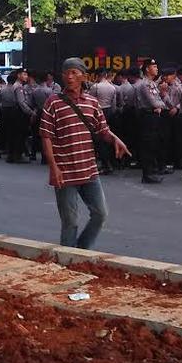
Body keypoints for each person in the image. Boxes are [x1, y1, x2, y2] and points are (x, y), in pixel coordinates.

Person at [40, 57, 130, 250]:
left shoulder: (92, 102)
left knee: (101, 214)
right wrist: (53, 168)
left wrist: (116, 139)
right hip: (65, 173)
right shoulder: (53, 103)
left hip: (89, 170)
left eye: (74, 72)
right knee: (70, 221)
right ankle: (68, 260)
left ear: (83, 75)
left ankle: (80, 251)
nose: (69, 76)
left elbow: (102, 130)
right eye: (66, 72)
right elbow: (46, 136)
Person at [135, 60, 166, 184]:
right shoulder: (145, 84)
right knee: (148, 146)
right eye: (154, 66)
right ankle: (147, 174)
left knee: (153, 145)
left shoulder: (151, 83)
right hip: (148, 116)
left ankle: (152, 172)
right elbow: (154, 102)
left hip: (153, 116)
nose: (156, 68)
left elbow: (157, 100)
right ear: (147, 69)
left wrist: (159, 105)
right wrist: (161, 105)